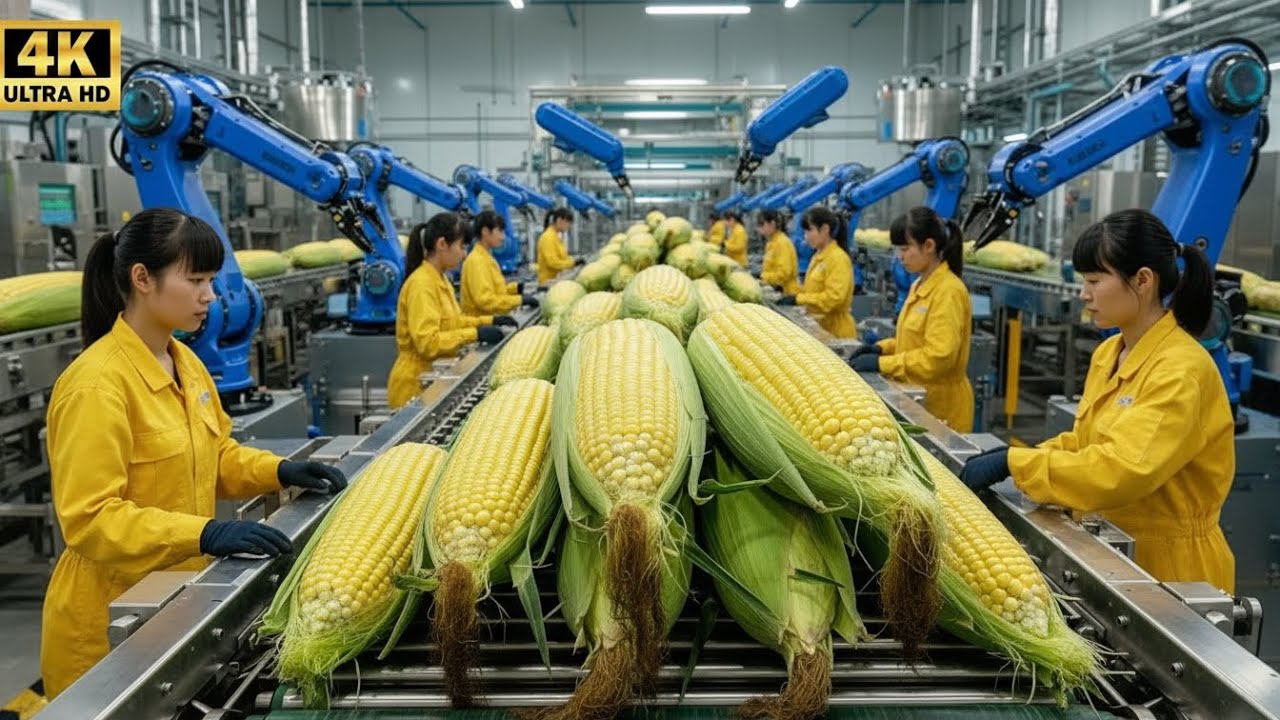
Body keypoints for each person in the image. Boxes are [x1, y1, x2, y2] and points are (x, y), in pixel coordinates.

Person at [41, 209, 347, 699]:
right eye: (196, 280)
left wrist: (280, 471)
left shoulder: (185, 362)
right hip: (109, 624)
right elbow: (91, 519)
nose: (210, 296)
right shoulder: (96, 386)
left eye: (211, 280)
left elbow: (216, 455)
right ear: (143, 278)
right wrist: (205, 533)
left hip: (178, 598)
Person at [960, 209, 1236, 592]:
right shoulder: (1110, 352)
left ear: (1143, 281)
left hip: (1170, 569)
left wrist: (1019, 463)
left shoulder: (1181, 369)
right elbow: (1085, 442)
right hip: (1112, 548)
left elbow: (1121, 470)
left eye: (1094, 280)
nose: (1083, 294)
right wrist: (1023, 457)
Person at [850, 207, 974, 432]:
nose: (901, 256)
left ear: (929, 246)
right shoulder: (919, 283)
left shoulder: (948, 291)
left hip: (940, 408)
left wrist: (882, 364)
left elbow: (938, 358)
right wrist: (881, 348)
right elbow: (913, 340)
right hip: (916, 397)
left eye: (906, 249)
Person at [388, 212, 510, 407]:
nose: (464, 254)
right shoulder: (422, 285)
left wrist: (488, 322)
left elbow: (454, 321)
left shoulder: (440, 278)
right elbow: (428, 343)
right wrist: (475, 334)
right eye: (461, 246)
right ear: (442, 244)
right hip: (415, 384)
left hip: (434, 377)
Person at [778, 207, 856, 338]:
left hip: (836, 332)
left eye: (809, 230)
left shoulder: (838, 258)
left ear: (825, 229)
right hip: (821, 326)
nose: (805, 236)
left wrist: (799, 299)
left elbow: (834, 298)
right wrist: (790, 292)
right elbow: (812, 290)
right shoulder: (818, 256)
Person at [460, 209, 537, 315]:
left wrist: (518, 288)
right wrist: (519, 300)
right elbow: (485, 300)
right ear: (485, 231)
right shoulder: (476, 261)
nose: (503, 237)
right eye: (500, 231)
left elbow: (496, 291)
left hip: (490, 320)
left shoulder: (487, 258)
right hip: (482, 323)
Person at [757, 209, 800, 295]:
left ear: (772, 224)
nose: (759, 228)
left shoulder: (782, 243)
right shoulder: (771, 243)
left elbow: (784, 273)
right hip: (775, 289)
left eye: (762, 224)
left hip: (787, 292)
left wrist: (764, 276)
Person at [537, 208, 579, 284]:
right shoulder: (548, 237)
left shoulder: (555, 237)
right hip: (548, 283)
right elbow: (553, 263)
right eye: (568, 223)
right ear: (559, 220)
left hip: (556, 281)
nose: (569, 226)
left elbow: (562, 258)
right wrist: (573, 263)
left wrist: (574, 261)